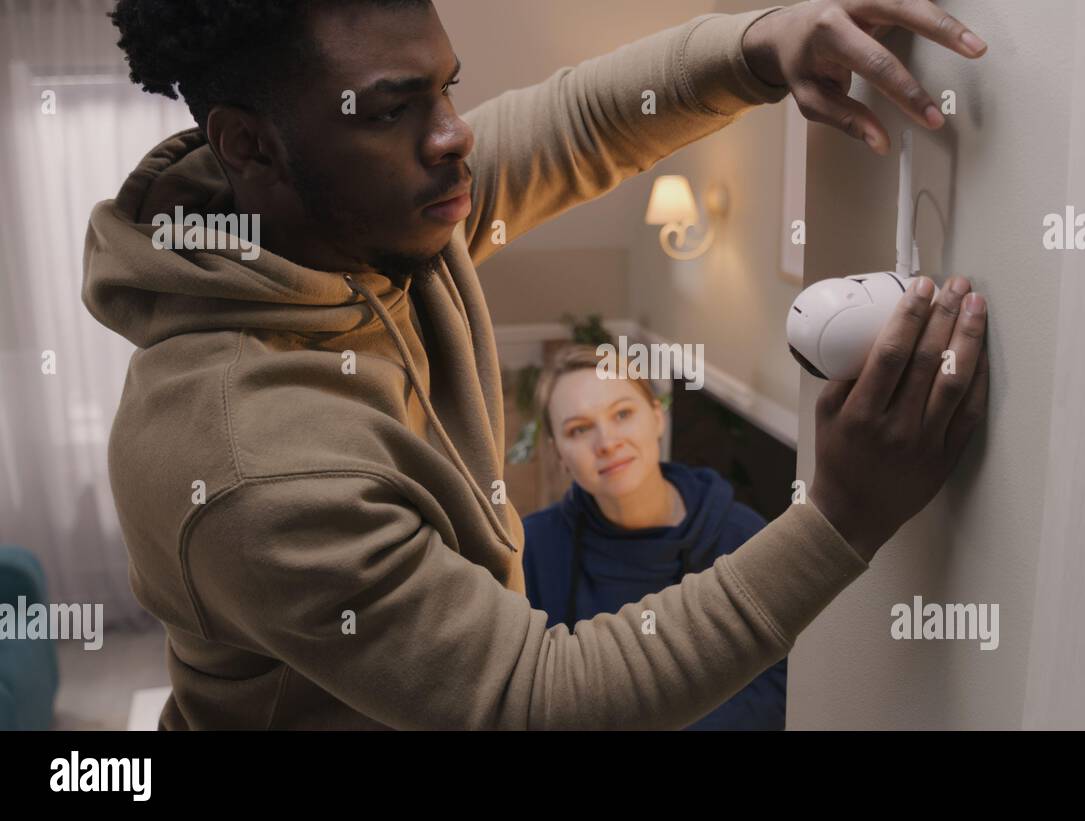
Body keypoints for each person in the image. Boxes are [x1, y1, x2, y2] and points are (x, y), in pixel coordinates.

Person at [82, 0, 990, 729]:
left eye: (448, 88)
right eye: (394, 107)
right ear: (247, 144)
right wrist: (840, 516)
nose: (454, 136)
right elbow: (537, 699)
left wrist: (759, 46)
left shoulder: (372, 214)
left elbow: (577, 122)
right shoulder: (251, 466)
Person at [523, 344, 786, 730]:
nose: (607, 442)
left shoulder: (744, 537)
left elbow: (777, 687)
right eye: (579, 429)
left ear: (657, 418)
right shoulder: (532, 547)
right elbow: (530, 693)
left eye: (623, 414)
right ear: (558, 454)